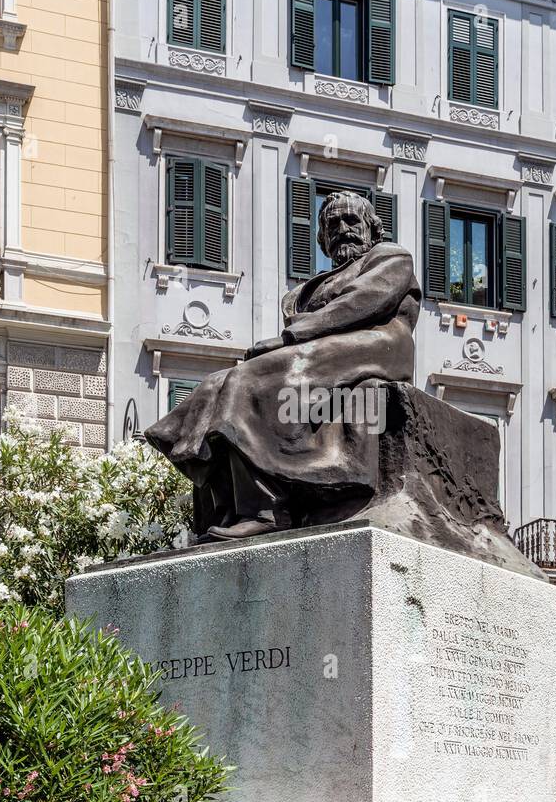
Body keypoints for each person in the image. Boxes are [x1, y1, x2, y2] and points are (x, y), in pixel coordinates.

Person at [145, 191, 421, 540]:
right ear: (322, 237)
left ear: (371, 228)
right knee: (218, 383)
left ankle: (266, 509)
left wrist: (292, 337)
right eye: (332, 223)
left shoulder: (389, 256)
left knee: (249, 379)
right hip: (322, 345)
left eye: (351, 220)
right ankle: (231, 502)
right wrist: (295, 338)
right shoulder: (308, 288)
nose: (342, 229)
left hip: (376, 344)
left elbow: (361, 304)